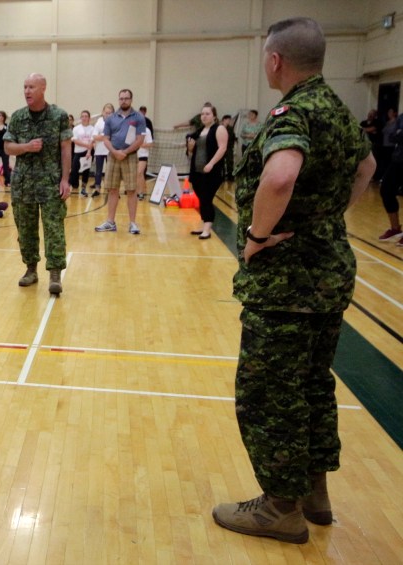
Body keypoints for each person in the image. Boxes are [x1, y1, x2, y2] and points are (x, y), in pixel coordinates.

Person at [211, 17, 376, 545]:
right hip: (328, 273)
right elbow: (366, 166)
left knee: (269, 392)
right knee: (312, 384)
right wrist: (326, 217)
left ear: (276, 60)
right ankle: (314, 492)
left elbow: (281, 174)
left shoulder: (293, 111)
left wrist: (257, 236)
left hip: (287, 282)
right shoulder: (338, 111)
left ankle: (280, 507)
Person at [3, 73, 72, 295]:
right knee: (26, 229)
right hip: (23, 184)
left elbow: (65, 148)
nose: (27, 91)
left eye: (31, 87)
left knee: (54, 229)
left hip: (50, 184)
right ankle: (30, 270)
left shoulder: (59, 116)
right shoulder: (17, 117)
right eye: (25, 87)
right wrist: (26, 147)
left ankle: (54, 274)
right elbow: (8, 147)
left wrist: (65, 179)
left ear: (43, 88)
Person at [94, 90, 146, 235]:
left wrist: (126, 152)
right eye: (121, 98)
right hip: (113, 156)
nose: (123, 101)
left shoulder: (139, 118)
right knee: (112, 189)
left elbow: (140, 140)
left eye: (126, 98)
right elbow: (105, 139)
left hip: (130, 157)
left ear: (131, 99)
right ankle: (110, 222)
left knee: (131, 190)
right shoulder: (111, 118)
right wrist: (115, 152)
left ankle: (133, 223)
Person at [186, 104, 228, 239]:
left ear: (214, 116)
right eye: (202, 113)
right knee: (201, 198)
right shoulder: (199, 131)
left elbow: (222, 148)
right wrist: (190, 148)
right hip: (197, 171)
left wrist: (211, 164)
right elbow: (191, 152)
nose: (204, 116)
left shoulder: (219, 129)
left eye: (207, 113)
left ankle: (207, 229)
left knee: (206, 198)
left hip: (211, 172)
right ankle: (204, 225)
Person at [377, 112, 403, 242]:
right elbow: (392, 137)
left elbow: (399, 135)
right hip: (398, 159)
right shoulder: (401, 117)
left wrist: (399, 134)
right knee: (386, 190)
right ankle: (395, 228)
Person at [90, 103, 114, 197]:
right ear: (103, 112)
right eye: (106, 112)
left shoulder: (114, 122)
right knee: (98, 170)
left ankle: (111, 189)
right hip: (99, 150)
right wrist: (105, 137)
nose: (107, 114)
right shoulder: (99, 122)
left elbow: (115, 136)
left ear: (113, 113)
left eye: (110, 113)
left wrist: (103, 136)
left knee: (111, 171)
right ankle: (97, 189)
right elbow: (95, 136)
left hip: (111, 150)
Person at [70, 110, 95, 196]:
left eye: (86, 116)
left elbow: (92, 141)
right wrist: (86, 144)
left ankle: (84, 187)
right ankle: (75, 185)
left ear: (89, 118)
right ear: (80, 118)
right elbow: (75, 140)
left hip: (88, 152)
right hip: (78, 151)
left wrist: (88, 151)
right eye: (82, 116)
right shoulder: (76, 128)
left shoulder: (92, 129)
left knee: (86, 170)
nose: (84, 118)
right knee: (74, 169)